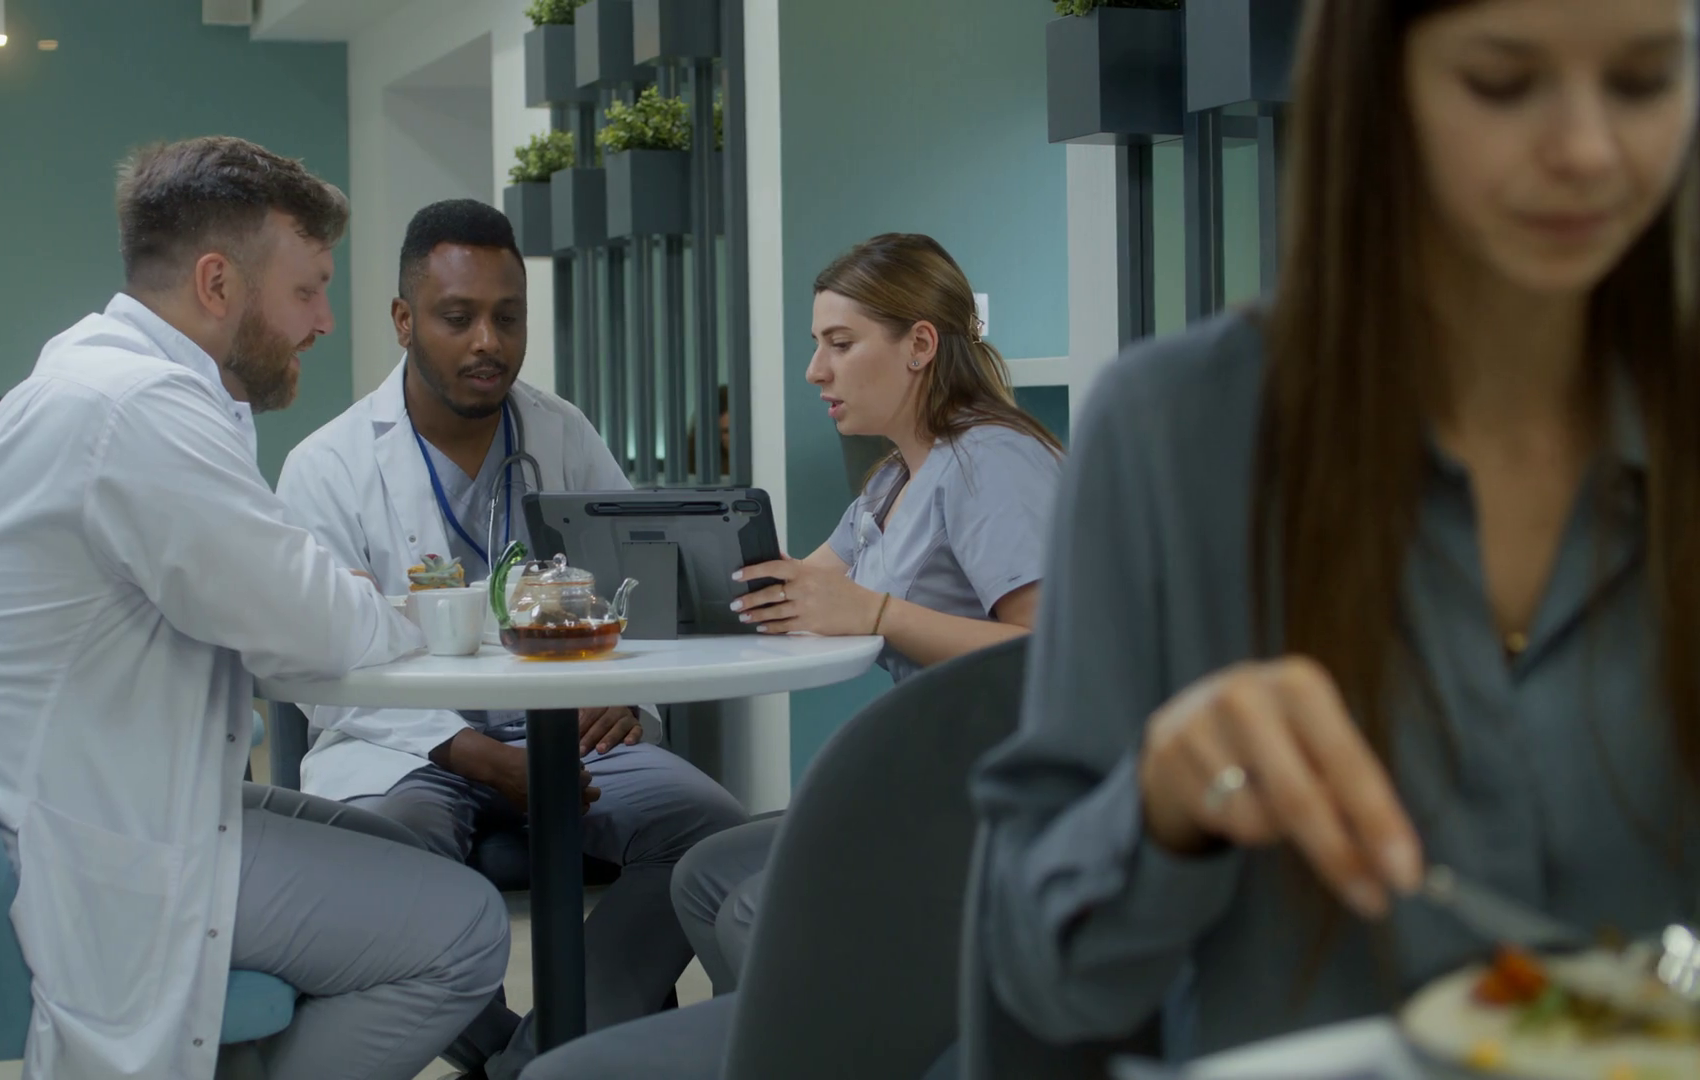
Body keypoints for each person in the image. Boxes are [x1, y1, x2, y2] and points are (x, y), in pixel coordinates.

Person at [971, 0, 1700, 1063]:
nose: (1588, 150)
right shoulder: (1175, 435)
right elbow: (1040, 982)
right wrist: (1168, 799)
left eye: (1642, 84)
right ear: (1375, 91)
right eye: (1501, 83)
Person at [0, 138, 509, 1080]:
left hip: (36, 806)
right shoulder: (137, 410)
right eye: (307, 290)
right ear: (218, 283)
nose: (326, 320)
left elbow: (279, 595)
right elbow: (312, 629)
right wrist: (413, 611)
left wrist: (340, 596)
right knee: (465, 928)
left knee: (387, 850)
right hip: (63, 846)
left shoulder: (85, 379)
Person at [515, 233, 1066, 1080]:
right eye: (819, 345)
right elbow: (794, 588)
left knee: (753, 908)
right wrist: (648, 576)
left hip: (996, 802)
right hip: (919, 786)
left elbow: (1050, 657)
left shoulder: (990, 461)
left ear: (921, 345)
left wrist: (880, 611)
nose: (816, 371)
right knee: (702, 874)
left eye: (839, 345)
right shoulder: (893, 481)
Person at [276, 198, 748, 1079]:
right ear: (404, 320)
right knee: (379, 866)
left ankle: (544, 1054)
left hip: (562, 730)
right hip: (407, 749)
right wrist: (466, 751)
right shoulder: (327, 468)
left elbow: (635, 597)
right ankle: (506, 1053)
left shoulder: (562, 434)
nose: (487, 341)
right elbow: (313, 661)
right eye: (458, 318)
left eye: (507, 316)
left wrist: (626, 699)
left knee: (707, 831)